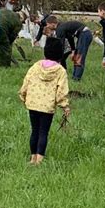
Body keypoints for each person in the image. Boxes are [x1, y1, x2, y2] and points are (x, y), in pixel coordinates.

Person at [19, 37, 70, 165]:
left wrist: (23, 97)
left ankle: (32, 158)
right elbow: (61, 91)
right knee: (43, 132)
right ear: (60, 54)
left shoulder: (36, 66)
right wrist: (65, 106)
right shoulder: (60, 71)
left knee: (34, 130)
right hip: (47, 107)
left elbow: (26, 82)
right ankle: (39, 160)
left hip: (33, 104)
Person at [45, 16, 93, 81]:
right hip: (83, 34)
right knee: (76, 56)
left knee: (79, 57)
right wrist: (73, 50)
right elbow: (70, 37)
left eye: (48, 24)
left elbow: (60, 45)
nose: (47, 26)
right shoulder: (62, 27)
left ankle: (76, 78)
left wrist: (57, 58)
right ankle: (74, 76)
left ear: (52, 24)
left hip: (84, 34)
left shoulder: (59, 29)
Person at [0, 0, 23, 67]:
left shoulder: (7, 11)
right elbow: (12, 36)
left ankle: (0, 65)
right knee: (6, 48)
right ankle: (6, 66)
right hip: (0, 28)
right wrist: (9, 43)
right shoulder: (18, 23)